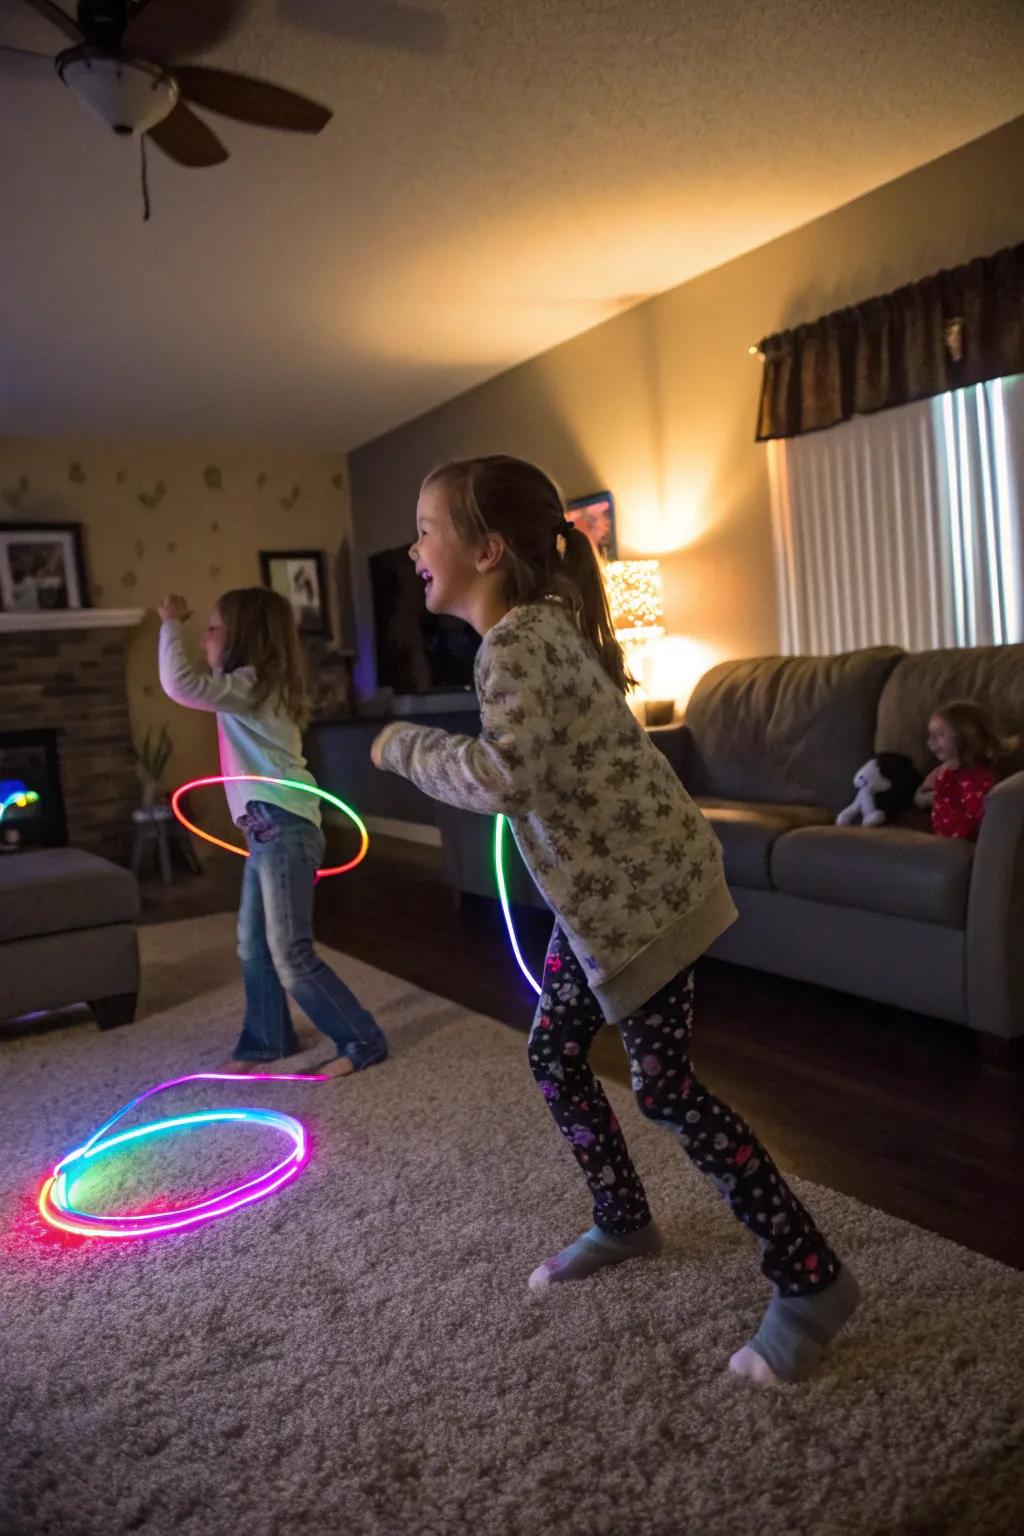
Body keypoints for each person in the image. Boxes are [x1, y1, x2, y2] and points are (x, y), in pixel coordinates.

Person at [370, 455, 858, 1384]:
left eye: (427, 528)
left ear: (487, 547)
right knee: (555, 1053)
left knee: (666, 1089)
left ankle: (811, 1278)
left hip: (642, 901)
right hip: (606, 894)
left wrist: (403, 746)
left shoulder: (513, 644)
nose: (414, 547)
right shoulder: (540, 627)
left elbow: (504, 777)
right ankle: (625, 1219)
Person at [157, 587, 386, 1079]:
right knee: (253, 945)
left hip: (284, 826)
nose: (204, 635)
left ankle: (361, 1039)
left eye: (213, 628)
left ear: (242, 638)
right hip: (266, 829)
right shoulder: (248, 687)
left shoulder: (251, 684)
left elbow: (179, 684)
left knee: (289, 951)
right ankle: (267, 1041)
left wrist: (172, 623)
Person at [913, 699, 1003, 840]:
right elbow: (936, 798)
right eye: (931, 735)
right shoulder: (944, 771)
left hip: (961, 840)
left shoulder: (977, 778)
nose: (930, 742)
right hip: (940, 834)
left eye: (940, 734)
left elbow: (977, 818)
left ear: (965, 736)